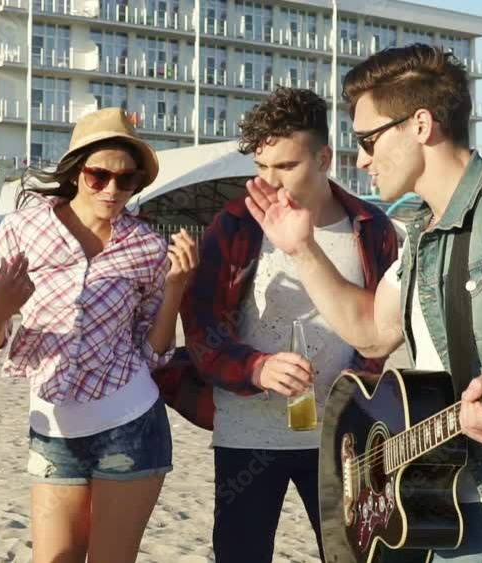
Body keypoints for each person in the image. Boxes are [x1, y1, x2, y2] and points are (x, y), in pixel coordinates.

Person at [246, 44, 482, 563]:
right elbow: (370, 331)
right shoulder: (423, 232)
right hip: (433, 496)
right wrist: (302, 249)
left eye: (367, 140)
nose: (360, 159)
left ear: (420, 124)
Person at [152, 87, 399, 563]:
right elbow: (202, 330)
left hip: (342, 436)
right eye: (261, 168)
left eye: (286, 167)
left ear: (325, 157)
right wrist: (256, 367)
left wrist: (360, 385)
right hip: (246, 432)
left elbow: (381, 327)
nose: (270, 182)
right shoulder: (235, 224)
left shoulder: (372, 228)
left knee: (354, 556)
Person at [0, 107, 198, 563]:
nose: (112, 190)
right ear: (76, 173)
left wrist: (175, 288)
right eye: (99, 177)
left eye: (126, 180)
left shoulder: (146, 247)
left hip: (130, 423)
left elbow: (154, 353)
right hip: (53, 428)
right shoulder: (23, 230)